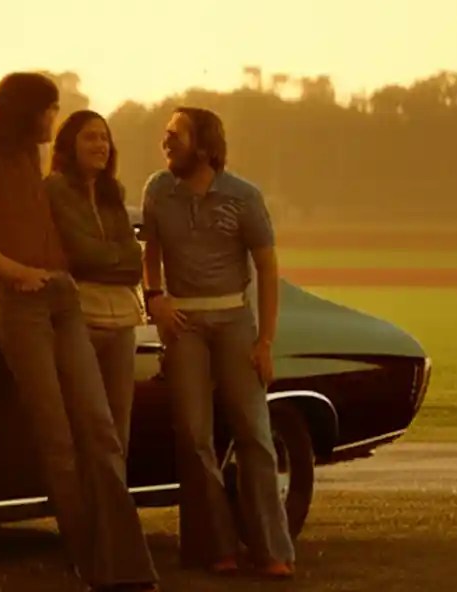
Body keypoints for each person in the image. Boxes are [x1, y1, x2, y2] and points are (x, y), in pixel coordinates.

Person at [0, 72, 159, 592]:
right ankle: (90, 562)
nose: (54, 118)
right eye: (50, 109)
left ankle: (125, 562)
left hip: (63, 299)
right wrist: (19, 273)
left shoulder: (30, 161)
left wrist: (58, 274)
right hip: (20, 305)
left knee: (101, 431)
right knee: (59, 440)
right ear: (26, 110)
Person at [140, 106, 295, 579]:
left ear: (204, 145)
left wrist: (265, 339)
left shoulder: (243, 197)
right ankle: (216, 547)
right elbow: (151, 252)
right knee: (193, 436)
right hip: (183, 324)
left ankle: (272, 550)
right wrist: (155, 299)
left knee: (254, 434)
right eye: (166, 135)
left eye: (176, 136)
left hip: (233, 322)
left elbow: (267, 267)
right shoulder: (158, 191)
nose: (166, 142)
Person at [44, 110, 144, 459]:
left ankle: (113, 508)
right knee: (89, 424)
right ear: (69, 144)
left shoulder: (112, 191)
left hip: (123, 322)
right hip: (81, 319)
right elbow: (79, 254)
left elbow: (135, 262)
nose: (100, 144)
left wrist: (108, 258)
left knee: (119, 427)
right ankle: (86, 507)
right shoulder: (54, 188)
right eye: (90, 137)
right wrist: (112, 257)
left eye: (104, 137)